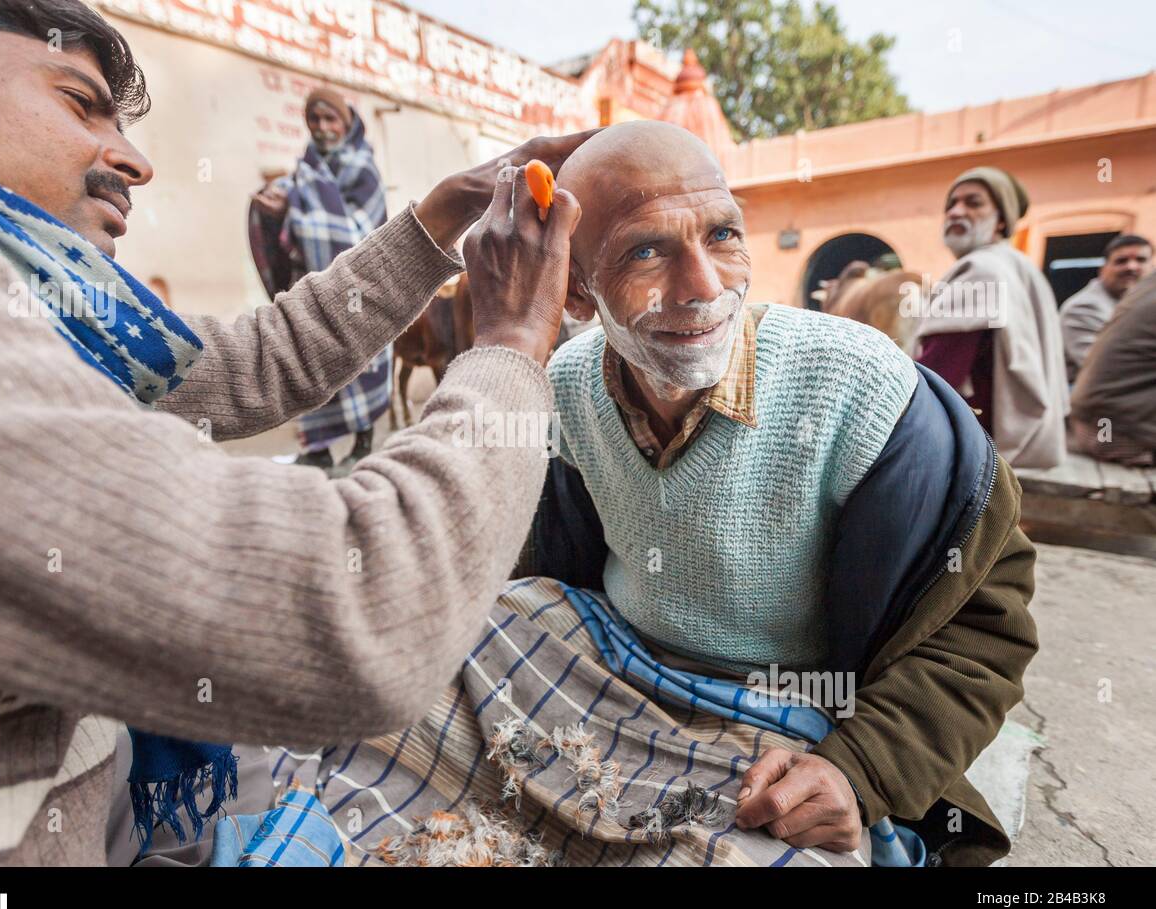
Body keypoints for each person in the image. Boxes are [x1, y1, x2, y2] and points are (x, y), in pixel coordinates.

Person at [0, 0, 590, 865]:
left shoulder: (33, 302)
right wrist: (508, 344)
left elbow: (249, 362)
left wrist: (437, 222)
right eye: (78, 103)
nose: (132, 159)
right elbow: (363, 613)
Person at [276, 123, 1038, 868]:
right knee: (384, 695)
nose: (704, 288)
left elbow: (984, 623)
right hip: (612, 671)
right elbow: (520, 559)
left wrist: (862, 768)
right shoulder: (565, 388)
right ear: (574, 290)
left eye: (723, 236)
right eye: (647, 250)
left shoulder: (862, 388)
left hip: (790, 713)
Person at [248, 87, 391, 472]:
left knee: (363, 360)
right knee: (313, 359)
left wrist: (296, 205)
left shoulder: (364, 170)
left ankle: (363, 442)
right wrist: (279, 209)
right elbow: (303, 215)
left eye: (331, 119)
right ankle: (319, 447)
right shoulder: (306, 168)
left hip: (360, 285)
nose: (323, 127)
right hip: (312, 282)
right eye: (315, 120)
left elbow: (361, 227)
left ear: (346, 124)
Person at [916, 166, 1070, 467]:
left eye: (973, 203)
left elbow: (937, 374)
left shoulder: (981, 269)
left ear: (1001, 220)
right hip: (1027, 439)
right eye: (951, 204)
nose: (956, 212)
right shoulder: (1019, 266)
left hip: (981, 445)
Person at [1069, 270, 1156, 468]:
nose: (1132, 267)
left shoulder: (1146, 285)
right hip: (1113, 434)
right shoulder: (1083, 307)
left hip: (1098, 425)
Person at [1060, 234, 1152, 382]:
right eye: (1121, 261)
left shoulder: (1142, 304)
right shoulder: (1083, 308)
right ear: (1103, 270)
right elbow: (1107, 369)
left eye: (1141, 260)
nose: (1131, 267)